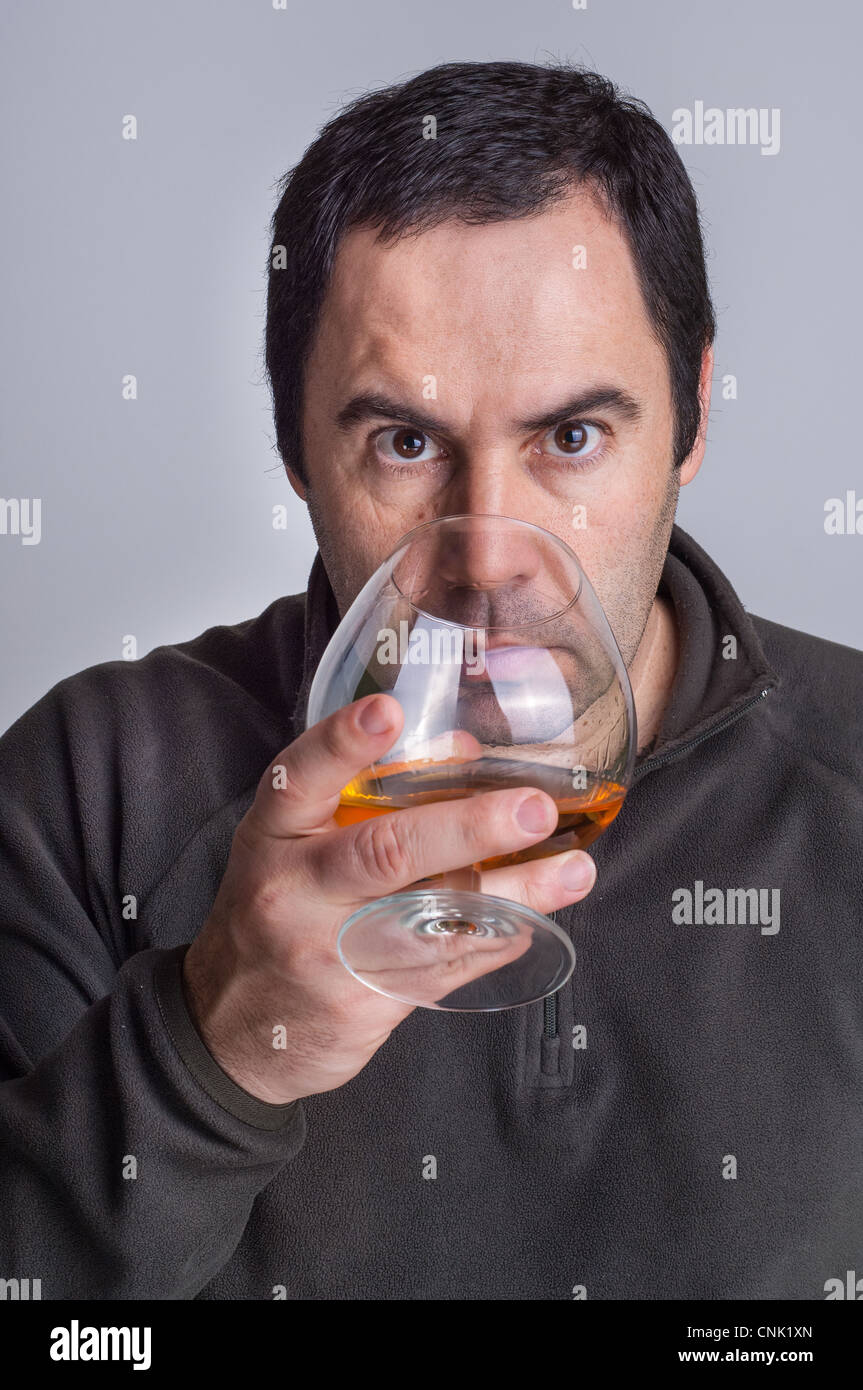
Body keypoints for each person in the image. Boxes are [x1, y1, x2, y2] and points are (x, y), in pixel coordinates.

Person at [1, 60, 860, 1302]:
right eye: (404, 441)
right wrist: (213, 1050)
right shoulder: (85, 792)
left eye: (571, 436)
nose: (492, 554)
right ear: (295, 444)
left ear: (693, 412)